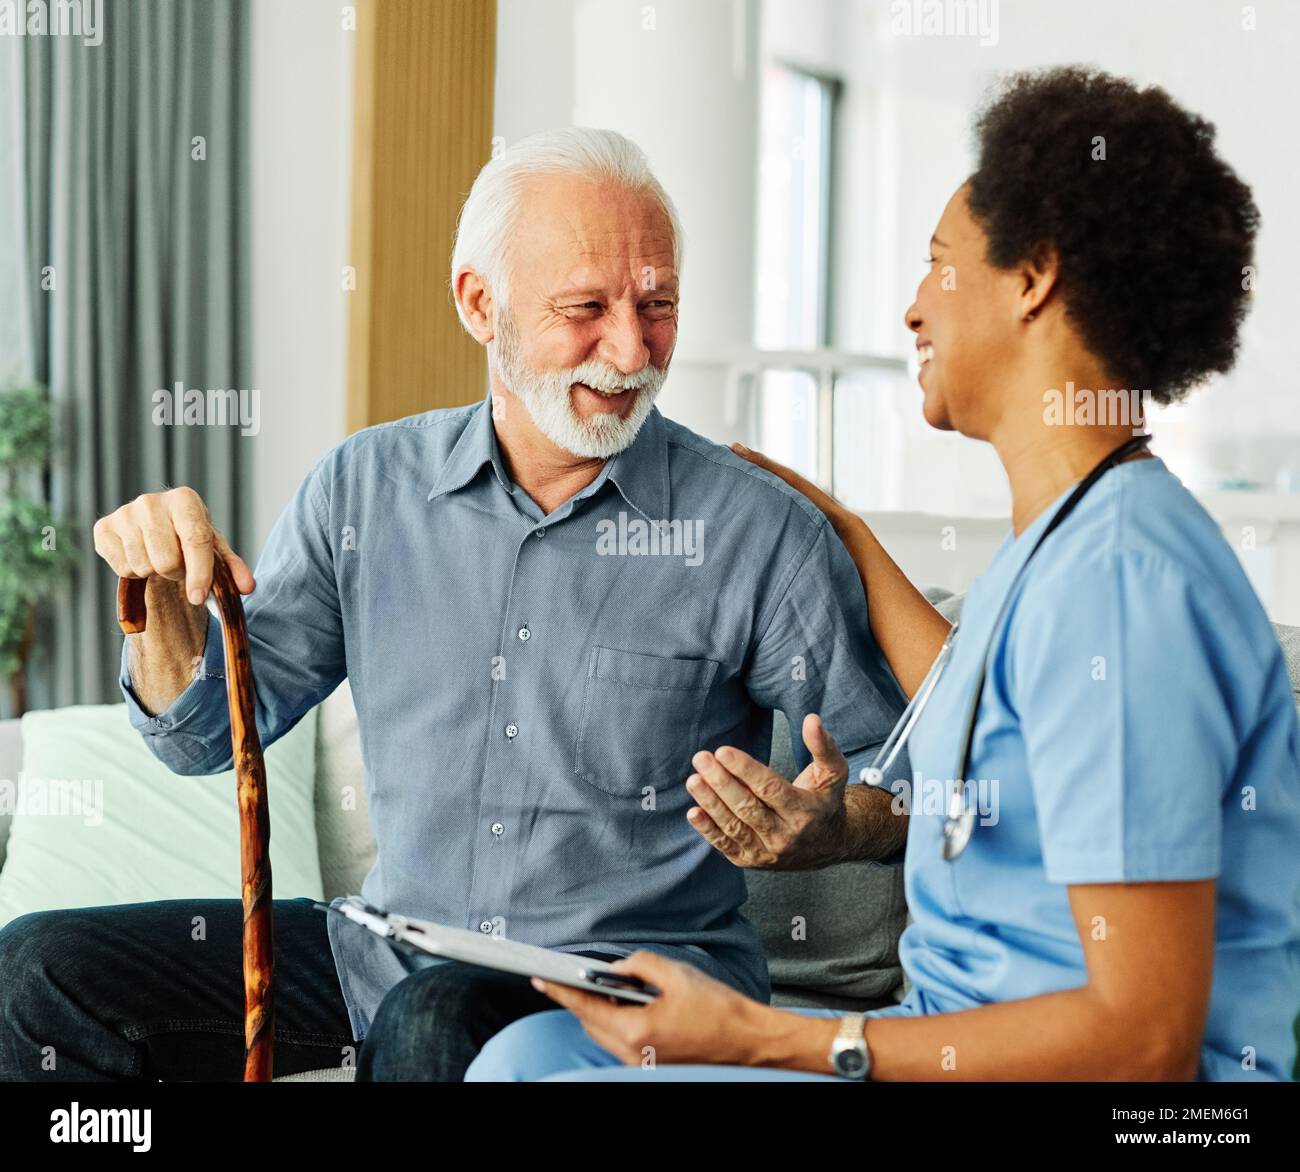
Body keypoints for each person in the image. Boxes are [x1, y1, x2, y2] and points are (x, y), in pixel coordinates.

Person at [0, 129, 911, 1082]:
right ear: (482, 304)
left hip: (624, 987)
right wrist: (159, 594)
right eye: (587, 308)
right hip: (381, 957)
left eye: (658, 305)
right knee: (38, 973)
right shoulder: (363, 489)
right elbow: (199, 738)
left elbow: (910, 782)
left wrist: (838, 826)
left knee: (434, 1019)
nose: (633, 348)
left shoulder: (756, 530)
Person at [466, 67, 1300, 1083]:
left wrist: (761, 1034)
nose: (912, 310)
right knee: (532, 1048)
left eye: (938, 265)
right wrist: (846, 533)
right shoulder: (1069, 541)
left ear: (1032, 275)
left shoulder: (1123, 582)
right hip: (951, 1034)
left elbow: (1143, 1040)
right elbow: (992, 711)